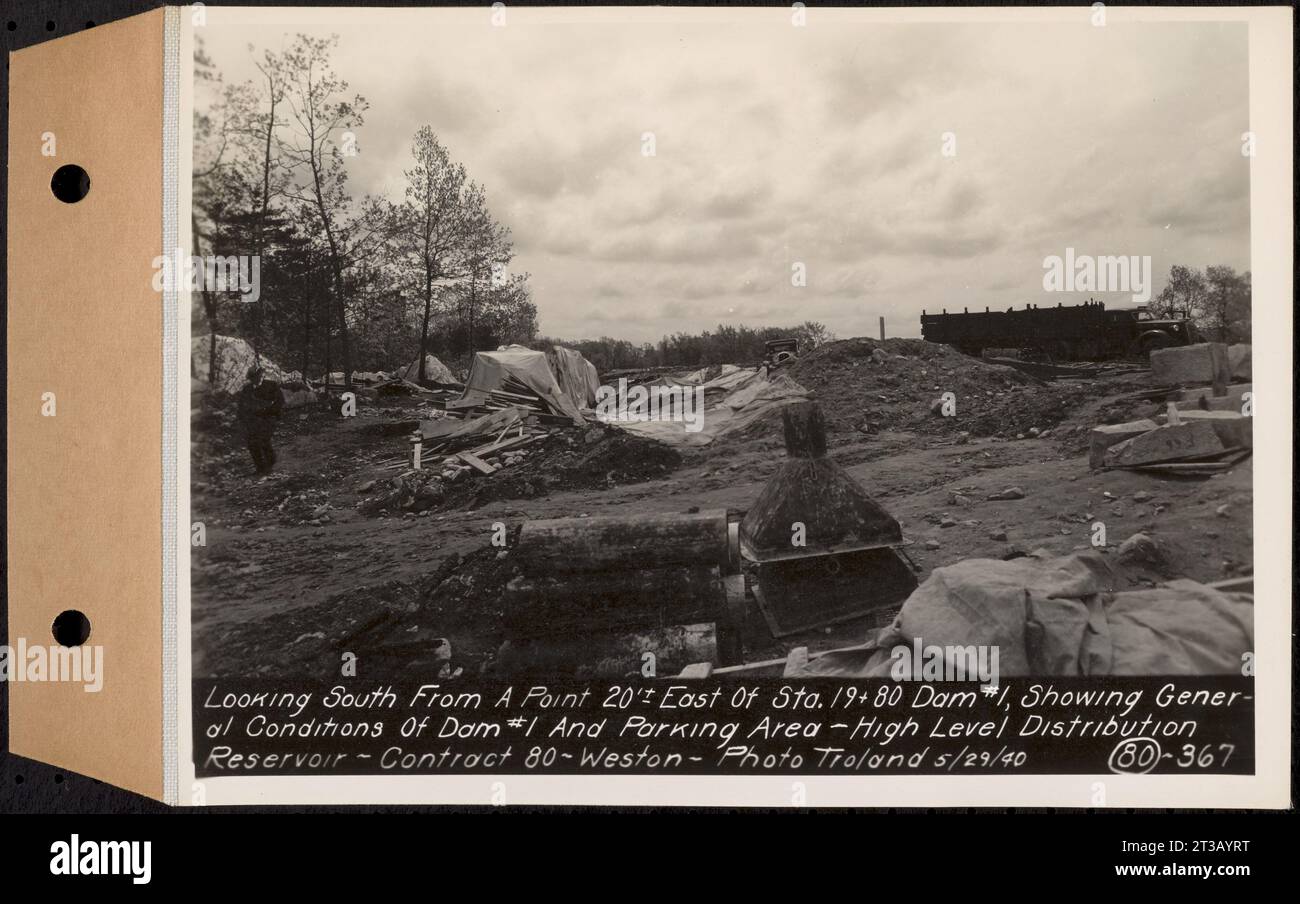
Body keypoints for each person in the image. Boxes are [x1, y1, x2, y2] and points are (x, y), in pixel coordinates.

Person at [236, 365, 285, 474]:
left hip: (269, 417)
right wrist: (241, 419)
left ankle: (270, 463)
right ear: (251, 378)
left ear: (263, 375)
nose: (259, 378)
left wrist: (268, 411)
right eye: (255, 377)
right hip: (253, 419)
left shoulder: (272, 385)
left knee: (263, 439)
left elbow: (280, 401)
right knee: (251, 442)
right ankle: (260, 467)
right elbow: (241, 406)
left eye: (261, 375)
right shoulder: (247, 389)